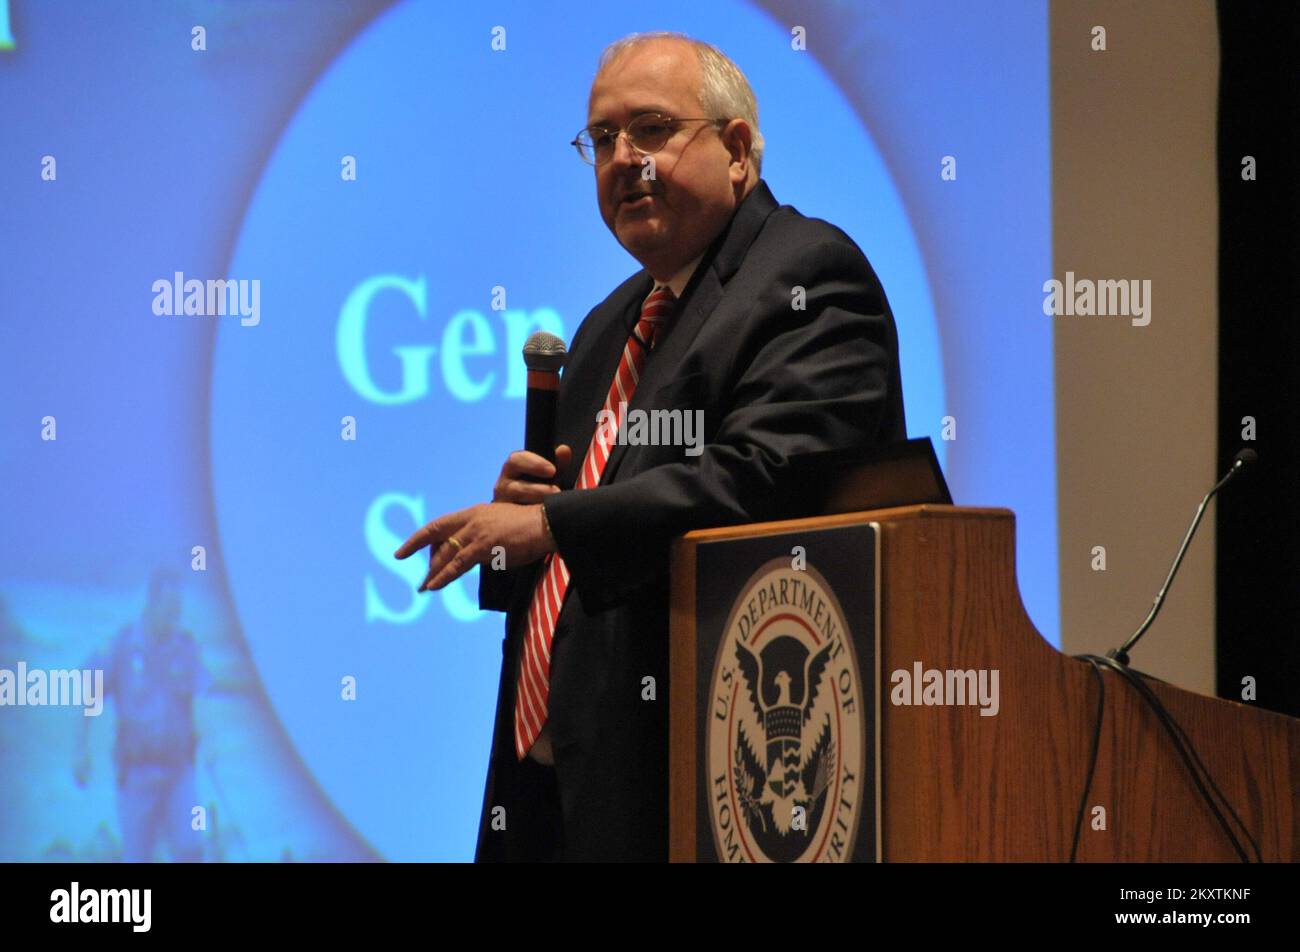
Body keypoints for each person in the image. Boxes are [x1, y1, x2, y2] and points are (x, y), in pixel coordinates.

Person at [394, 31, 907, 860]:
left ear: (737, 150)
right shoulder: (608, 325)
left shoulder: (809, 277)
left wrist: (560, 526)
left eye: (653, 130)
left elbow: (768, 481)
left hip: (696, 792)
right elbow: (592, 544)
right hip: (550, 789)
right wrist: (521, 532)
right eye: (601, 139)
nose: (622, 158)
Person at [75, 569, 213, 862]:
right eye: (170, 609)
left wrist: (209, 743)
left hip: (179, 773)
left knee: (191, 848)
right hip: (137, 776)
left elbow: (202, 696)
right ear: (151, 603)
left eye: (179, 610)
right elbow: (90, 691)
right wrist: (80, 749)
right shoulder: (122, 646)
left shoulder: (186, 648)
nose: (175, 617)